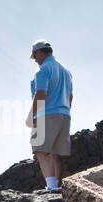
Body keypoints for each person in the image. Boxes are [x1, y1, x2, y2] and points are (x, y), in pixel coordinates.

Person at [25, 39, 72, 191]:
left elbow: (40, 94)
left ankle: (51, 188)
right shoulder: (66, 71)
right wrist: (65, 111)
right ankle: (56, 187)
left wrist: (32, 115)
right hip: (65, 115)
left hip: (47, 114)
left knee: (40, 150)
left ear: (39, 52)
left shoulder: (43, 70)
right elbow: (70, 97)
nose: (35, 60)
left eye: (34, 56)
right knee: (54, 153)